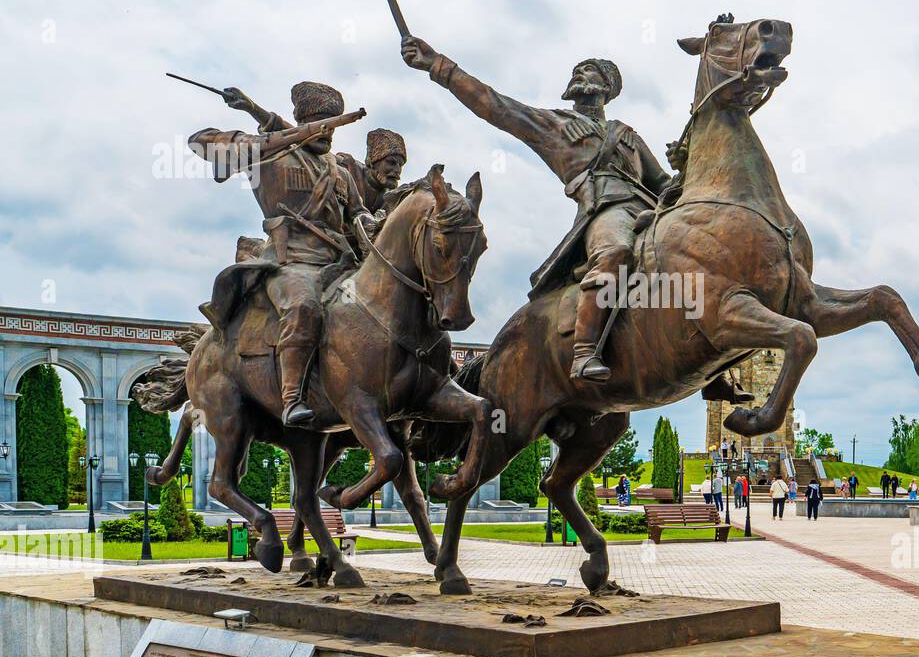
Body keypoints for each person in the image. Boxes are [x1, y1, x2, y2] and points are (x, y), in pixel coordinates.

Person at [402, 37, 675, 383]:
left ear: (606, 86)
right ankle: (584, 351)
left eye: (588, 69)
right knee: (615, 252)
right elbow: (495, 106)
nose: (579, 72)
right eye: (577, 69)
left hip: (651, 211)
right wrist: (438, 66)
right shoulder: (555, 126)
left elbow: (662, 182)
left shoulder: (626, 135)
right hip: (607, 210)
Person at [190, 81, 378, 426]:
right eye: (322, 126)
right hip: (289, 263)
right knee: (303, 306)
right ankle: (292, 398)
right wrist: (258, 116)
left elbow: (357, 212)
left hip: (340, 264)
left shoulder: (338, 170)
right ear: (303, 124)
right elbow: (201, 142)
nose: (329, 135)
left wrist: (371, 221)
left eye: (333, 128)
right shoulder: (269, 155)